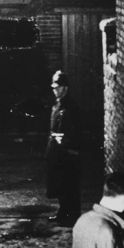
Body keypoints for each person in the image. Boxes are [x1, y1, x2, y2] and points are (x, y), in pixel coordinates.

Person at [46, 70, 81, 226]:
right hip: (56, 151)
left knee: (69, 184)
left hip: (67, 153)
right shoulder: (57, 104)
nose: (54, 89)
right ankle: (63, 212)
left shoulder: (71, 107)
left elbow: (77, 130)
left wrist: (66, 140)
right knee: (59, 183)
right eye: (53, 86)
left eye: (57, 86)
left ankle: (72, 215)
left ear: (65, 88)